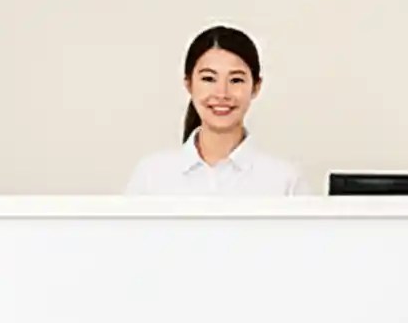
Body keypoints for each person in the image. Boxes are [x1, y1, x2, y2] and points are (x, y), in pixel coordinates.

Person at [124, 25, 308, 196]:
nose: (222, 93)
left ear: (256, 87)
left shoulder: (285, 181)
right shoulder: (151, 175)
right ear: (188, 84)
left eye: (236, 80)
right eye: (209, 79)